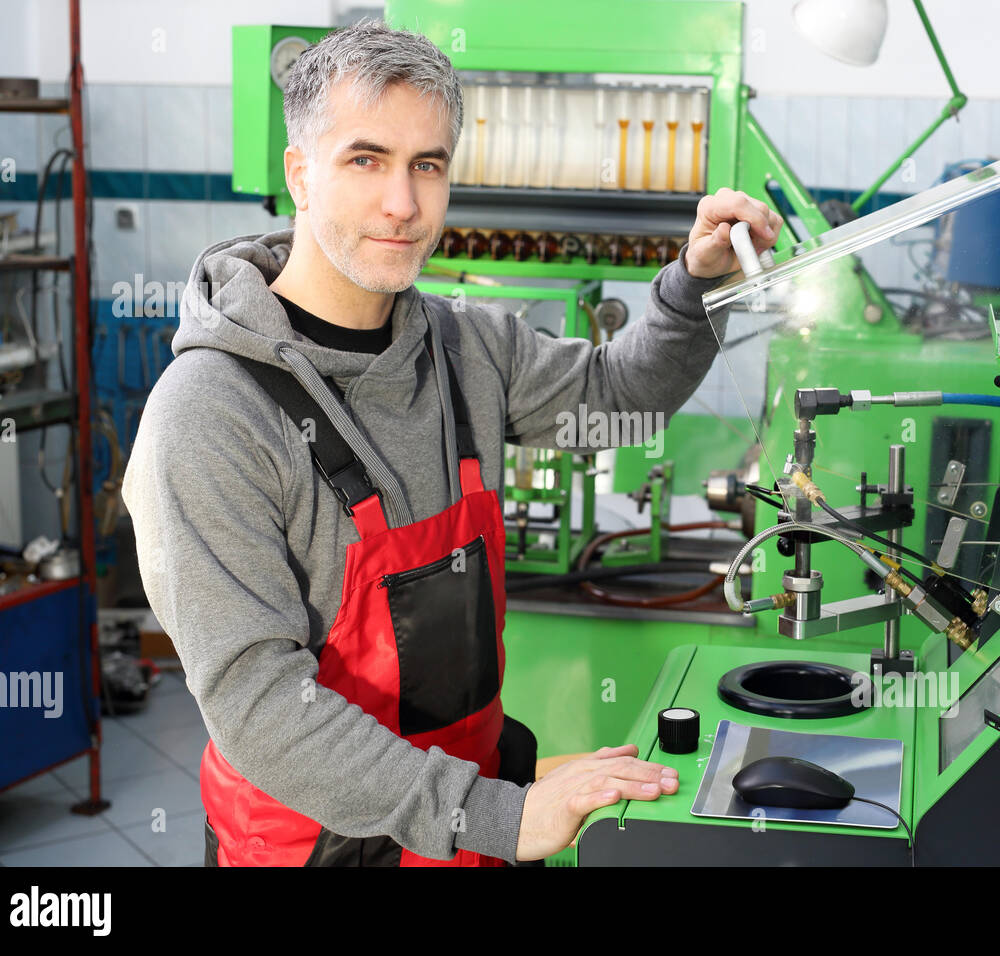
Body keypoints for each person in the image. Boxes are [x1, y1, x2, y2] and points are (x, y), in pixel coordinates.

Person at [121, 20, 781, 867]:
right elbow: (257, 704)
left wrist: (691, 288)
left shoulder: (466, 348)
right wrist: (499, 817)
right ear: (301, 175)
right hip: (320, 849)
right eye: (367, 160)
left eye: (427, 165)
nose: (403, 204)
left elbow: (621, 399)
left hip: (461, 822)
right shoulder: (210, 413)